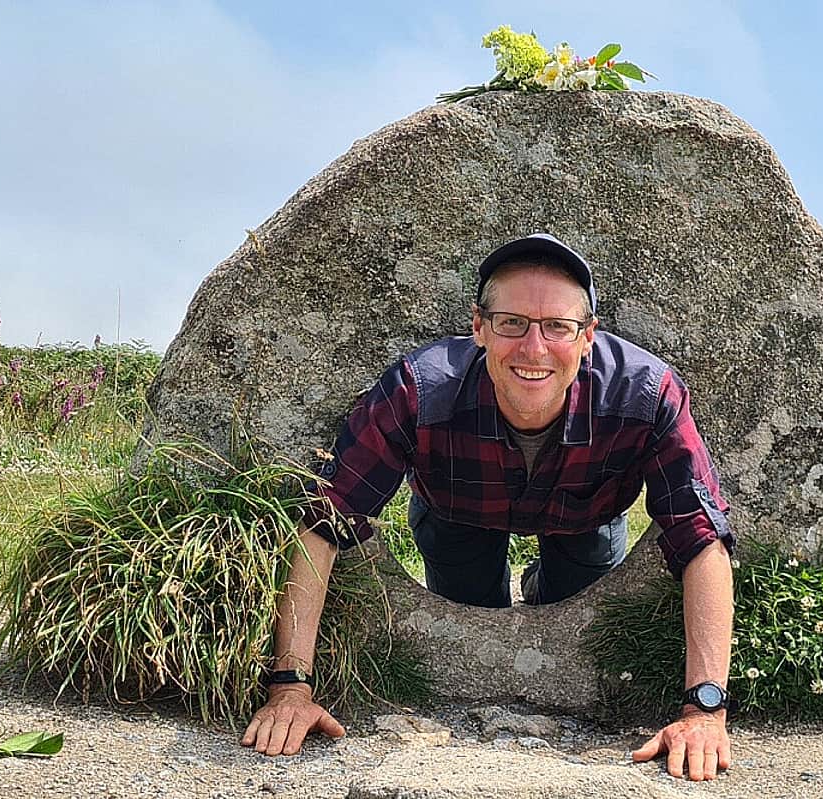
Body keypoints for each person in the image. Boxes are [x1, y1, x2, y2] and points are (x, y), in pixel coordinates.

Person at [240, 233, 736, 782]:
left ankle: (541, 584)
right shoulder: (419, 391)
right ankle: (501, 585)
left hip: (585, 514)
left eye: (558, 327)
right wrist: (289, 687)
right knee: (471, 603)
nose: (534, 347)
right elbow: (326, 522)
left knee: (574, 600)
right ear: (478, 326)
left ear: (589, 336)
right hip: (459, 513)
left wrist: (705, 709)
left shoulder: (645, 394)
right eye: (512, 323)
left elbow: (701, 538)